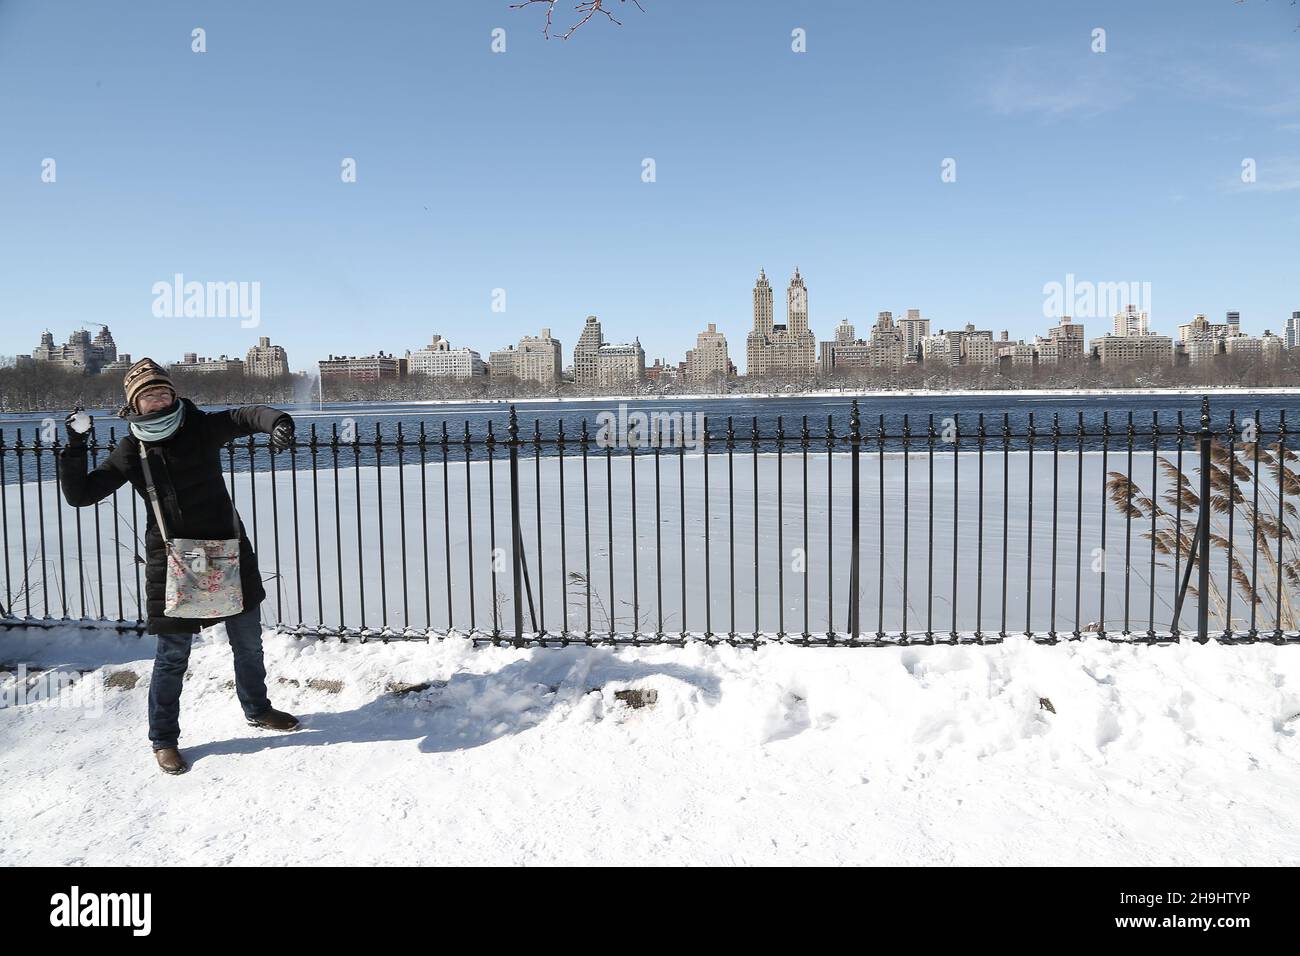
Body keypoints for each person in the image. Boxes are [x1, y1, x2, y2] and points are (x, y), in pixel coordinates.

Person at [59, 357, 301, 775]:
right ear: (135, 404)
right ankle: (164, 739)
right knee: (172, 656)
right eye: (149, 396)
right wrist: (77, 444)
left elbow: (247, 415)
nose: (158, 400)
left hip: (228, 551)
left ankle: (258, 709)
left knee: (248, 643)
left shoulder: (199, 426)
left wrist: (278, 422)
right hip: (173, 561)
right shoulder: (131, 450)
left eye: (164, 392)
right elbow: (81, 494)